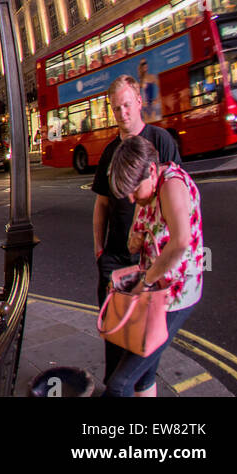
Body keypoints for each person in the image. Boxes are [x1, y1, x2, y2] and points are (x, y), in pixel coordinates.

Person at [91, 74, 182, 387]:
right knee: (114, 336)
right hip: (115, 258)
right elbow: (102, 204)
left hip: (149, 261)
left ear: (139, 102)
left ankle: (127, 388)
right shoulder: (109, 152)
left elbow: (178, 198)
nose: (122, 113)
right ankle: (118, 387)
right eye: (116, 108)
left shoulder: (160, 141)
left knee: (143, 349)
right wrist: (99, 250)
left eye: (127, 105)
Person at [102, 135, 204, 397]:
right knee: (142, 377)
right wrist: (134, 241)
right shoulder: (146, 192)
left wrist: (145, 282)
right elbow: (134, 241)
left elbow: (180, 242)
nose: (132, 199)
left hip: (174, 295)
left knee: (119, 384)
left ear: (150, 169)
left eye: (134, 190)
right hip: (154, 292)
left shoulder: (171, 186)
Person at [138, 59, 162, 123]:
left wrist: (157, 99)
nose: (145, 65)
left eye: (145, 63)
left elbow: (161, 85)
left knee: (155, 123)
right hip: (144, 108)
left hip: (152, 106)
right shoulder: (140, 80)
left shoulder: (152, 77)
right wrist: (141, 103)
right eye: (143, 64)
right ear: (140, 67)